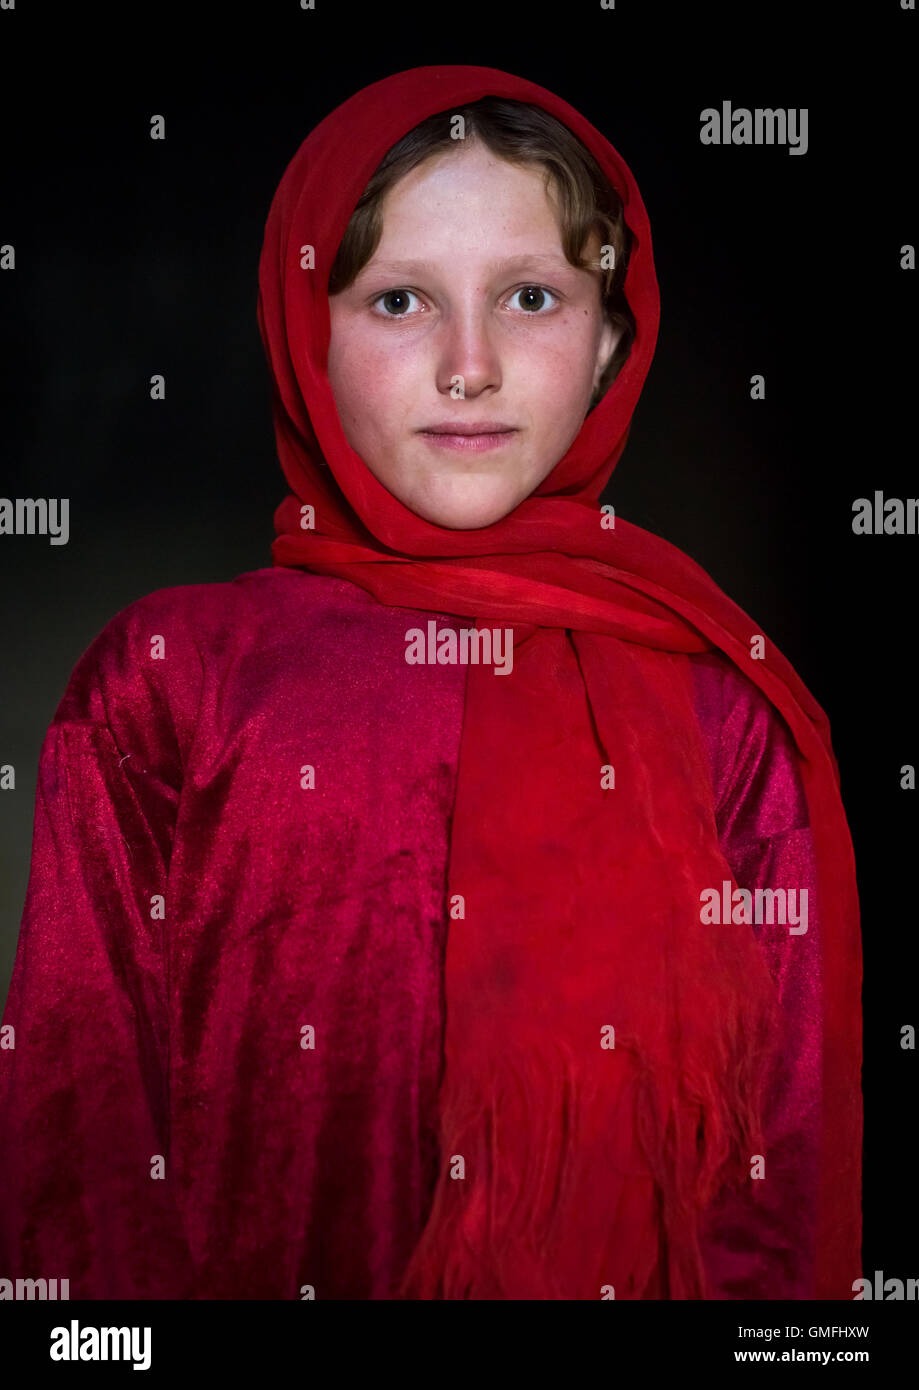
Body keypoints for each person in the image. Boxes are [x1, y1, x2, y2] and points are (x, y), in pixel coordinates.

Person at [0, 64, 862, 1300]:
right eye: (399, 299)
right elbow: (79, 1172)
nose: (470, 366)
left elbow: (776, 1200)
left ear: (612, 338)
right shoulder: (167, 683)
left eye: (530, 296)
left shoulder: (722, 708)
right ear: (304, 332)